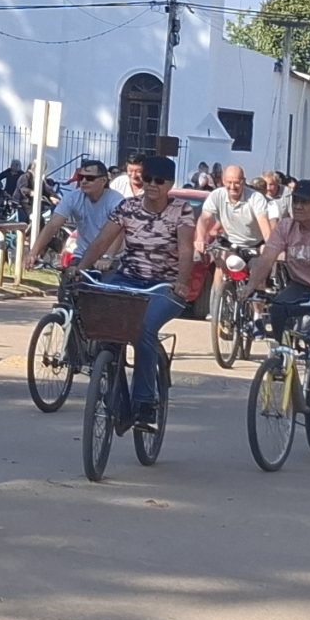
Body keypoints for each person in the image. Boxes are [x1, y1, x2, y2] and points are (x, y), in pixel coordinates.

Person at [73, 154, 194, 432]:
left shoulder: (182, 210)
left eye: (158, 181)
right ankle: (109, 380)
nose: (151, 185)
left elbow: (187, 248)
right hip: (129, 279)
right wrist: (81, 268)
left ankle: (144, 404)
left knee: (144, 329)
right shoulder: (127, 207)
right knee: (105, 329)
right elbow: (103, 240)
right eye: (147, 178)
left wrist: (183, 282)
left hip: (164, 286)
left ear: (169, 184)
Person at [242, 180, 310, 444]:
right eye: (295, 201)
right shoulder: (285, 226)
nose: (299, 206)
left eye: (305, 202)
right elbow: (267, 259)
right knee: (279, 307)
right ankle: (282, 356)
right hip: (300, 285)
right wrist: (249, 288)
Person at [32, 158, 121, 274]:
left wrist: (107, 257)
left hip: (111, 256)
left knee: (108, 290)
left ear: (104, 180)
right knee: (69, 283)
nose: (83, 181)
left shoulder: (116, 200)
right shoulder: (73, 197)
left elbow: (120, 231)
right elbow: (53, 225)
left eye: (89, 178)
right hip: (82, 255)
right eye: (81, 177)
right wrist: (33, 253)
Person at [196, 164, 272, 265]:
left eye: (236, 183)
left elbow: (265, 226)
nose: (232, 187)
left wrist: (269, 246)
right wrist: (200, 239)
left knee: (257, 271)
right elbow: (205, 219)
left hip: (255, 246)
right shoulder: (216, 195)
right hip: (229, 244)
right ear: (223, 181)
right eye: (229, 182)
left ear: (243, 181)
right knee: (221, 264)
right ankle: (219, 281)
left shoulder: (256, 198)